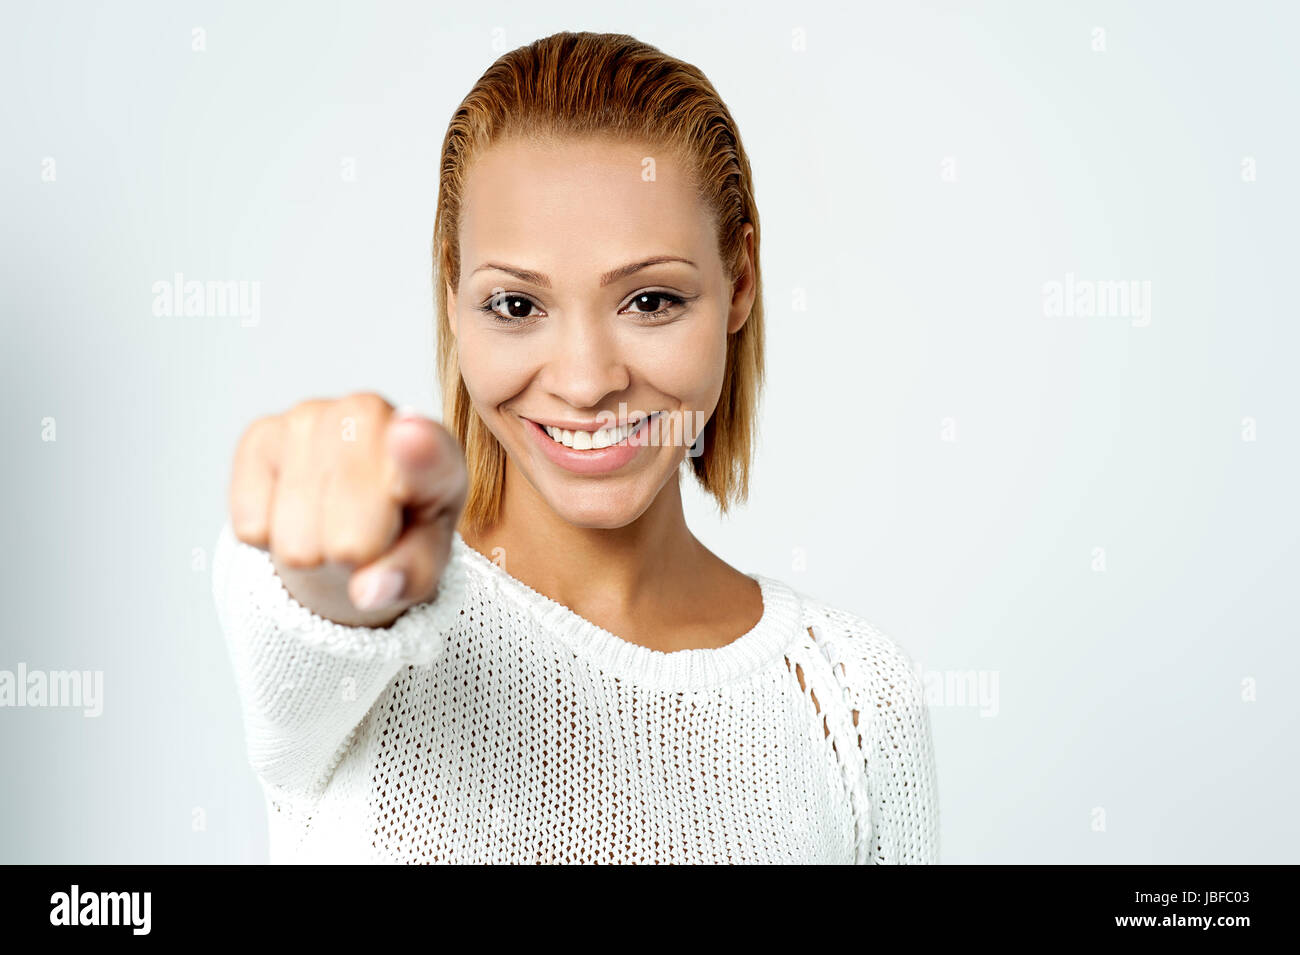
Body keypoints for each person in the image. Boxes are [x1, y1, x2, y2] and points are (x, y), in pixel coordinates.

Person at [213, 30, 939, 864]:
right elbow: (295, 609)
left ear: (739, 282)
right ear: (452, 293)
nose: (589, 381)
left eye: (652, 299)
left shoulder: (852, 696)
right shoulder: (379, 626)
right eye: (518, 307)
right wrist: (324, 542)